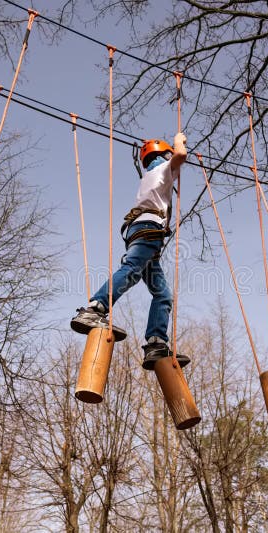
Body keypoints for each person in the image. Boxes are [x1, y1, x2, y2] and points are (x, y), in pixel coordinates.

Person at [71, 132, 191, 370]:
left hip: (143, 231)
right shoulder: (161, 170)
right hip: (148, 231)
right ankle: (95, 309)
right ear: (162, 155)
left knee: (163, 293)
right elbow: (180, 155)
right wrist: (180, 140)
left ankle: (156, 343)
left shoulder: (151, 176)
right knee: (132, 269)